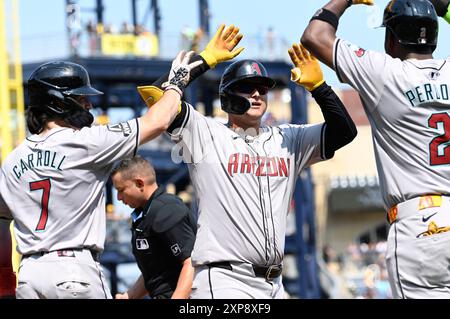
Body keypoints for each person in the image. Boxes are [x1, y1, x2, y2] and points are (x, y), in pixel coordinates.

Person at [137, 28, 357, 297]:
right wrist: (204, 60)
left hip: (274, 284)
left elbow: (345, 132)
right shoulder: (205, 133)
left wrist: (320, 89)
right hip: (225, 279)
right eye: (247, 86)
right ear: (227, 96)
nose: (256, 93)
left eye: (262, 88)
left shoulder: (289, 139)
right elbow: (157, 95)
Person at [0, 49, 202, 298]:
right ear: (58, 102)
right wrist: (177, 83)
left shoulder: (12, 161)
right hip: (73, 272)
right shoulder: (86, 142)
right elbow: (156, 122)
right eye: (81, 98)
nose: (89, 104)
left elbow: (1, 224)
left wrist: (4, 279)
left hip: (29, 275)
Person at [301, 0, 450, 298]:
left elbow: (314, 36)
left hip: (420, 227)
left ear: (391, 38)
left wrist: (344, 0)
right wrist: (445, 8)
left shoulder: (385, 74)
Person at [111, 156, 196, 299]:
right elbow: (155, 271)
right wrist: (129, 296)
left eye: (121, 190)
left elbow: (192, 262)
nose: (118, 197)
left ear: (139, 183)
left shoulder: (167, 210)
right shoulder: (145, 215)